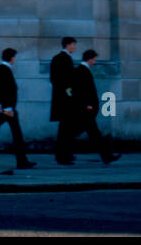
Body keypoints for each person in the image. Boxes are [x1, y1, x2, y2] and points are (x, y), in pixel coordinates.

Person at [71, 49, 121, 164]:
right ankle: (106, 157)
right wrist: (87, 104)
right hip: (86, 109)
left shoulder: (82, 70)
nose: (95, 61)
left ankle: (106, 157)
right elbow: (82, 90)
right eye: (94, 59)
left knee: (90, 134)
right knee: (93, 134)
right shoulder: (82, 70)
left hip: (85, 109)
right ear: (89, 59)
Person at [49, 35, 78, 165]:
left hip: (61, 99)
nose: (75, 47)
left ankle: (64, 154)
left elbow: (54, 79)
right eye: (74, 45)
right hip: (65, 100)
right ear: (68, 45)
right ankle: (63, 156)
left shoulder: (58, 58)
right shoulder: (65, 59)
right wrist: (69, 92)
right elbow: (67, 80)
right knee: (66, 129)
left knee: (65, 128)